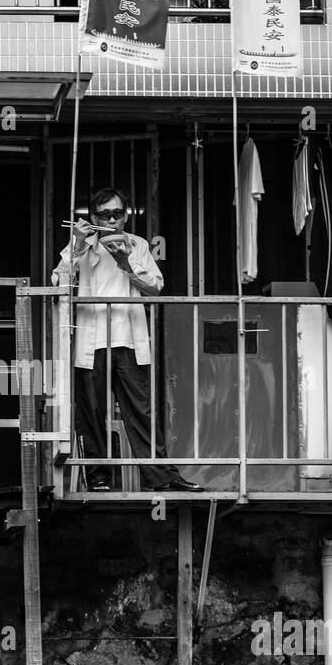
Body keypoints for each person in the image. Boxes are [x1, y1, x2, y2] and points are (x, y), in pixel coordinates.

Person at [53, 186, 201, 492]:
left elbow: (155, 287)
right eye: (104, 214)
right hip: (91, 341)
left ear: (126, 215)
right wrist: (79, 246)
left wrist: (126, 264)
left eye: (117, 214)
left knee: (141, 409)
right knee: (91, 411)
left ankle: (160, 477)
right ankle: (97, 477)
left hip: (129, 339)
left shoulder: (138, 245)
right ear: (92, 217)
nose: (111, 220)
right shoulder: (81, 245)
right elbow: (58, 283)